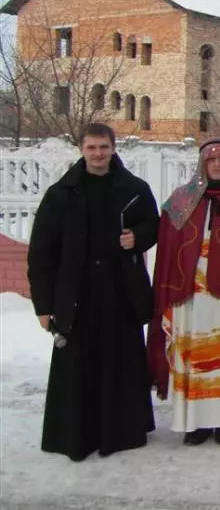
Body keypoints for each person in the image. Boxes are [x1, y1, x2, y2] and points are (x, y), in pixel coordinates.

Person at [26, 123, 159, 461]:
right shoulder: (61, 194)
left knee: (120, 361)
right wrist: (44, 306)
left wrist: (138, 237)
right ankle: (76, 435)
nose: (98, 154)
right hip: (76, 293)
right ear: (81, 149)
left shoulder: (134, 188)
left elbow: (154, 226)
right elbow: (41, 253)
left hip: (120, 290)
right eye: (92, 148)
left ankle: (122, 431)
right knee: (78, 365)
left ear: (114, 148)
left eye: (104, 147)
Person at [148, 139, 220, 446]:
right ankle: (195, 423)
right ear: (202, 164)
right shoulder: (180, 201)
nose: (216, 165)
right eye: (211, 160)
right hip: (191, 294)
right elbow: (168, 248)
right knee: (194, 353)